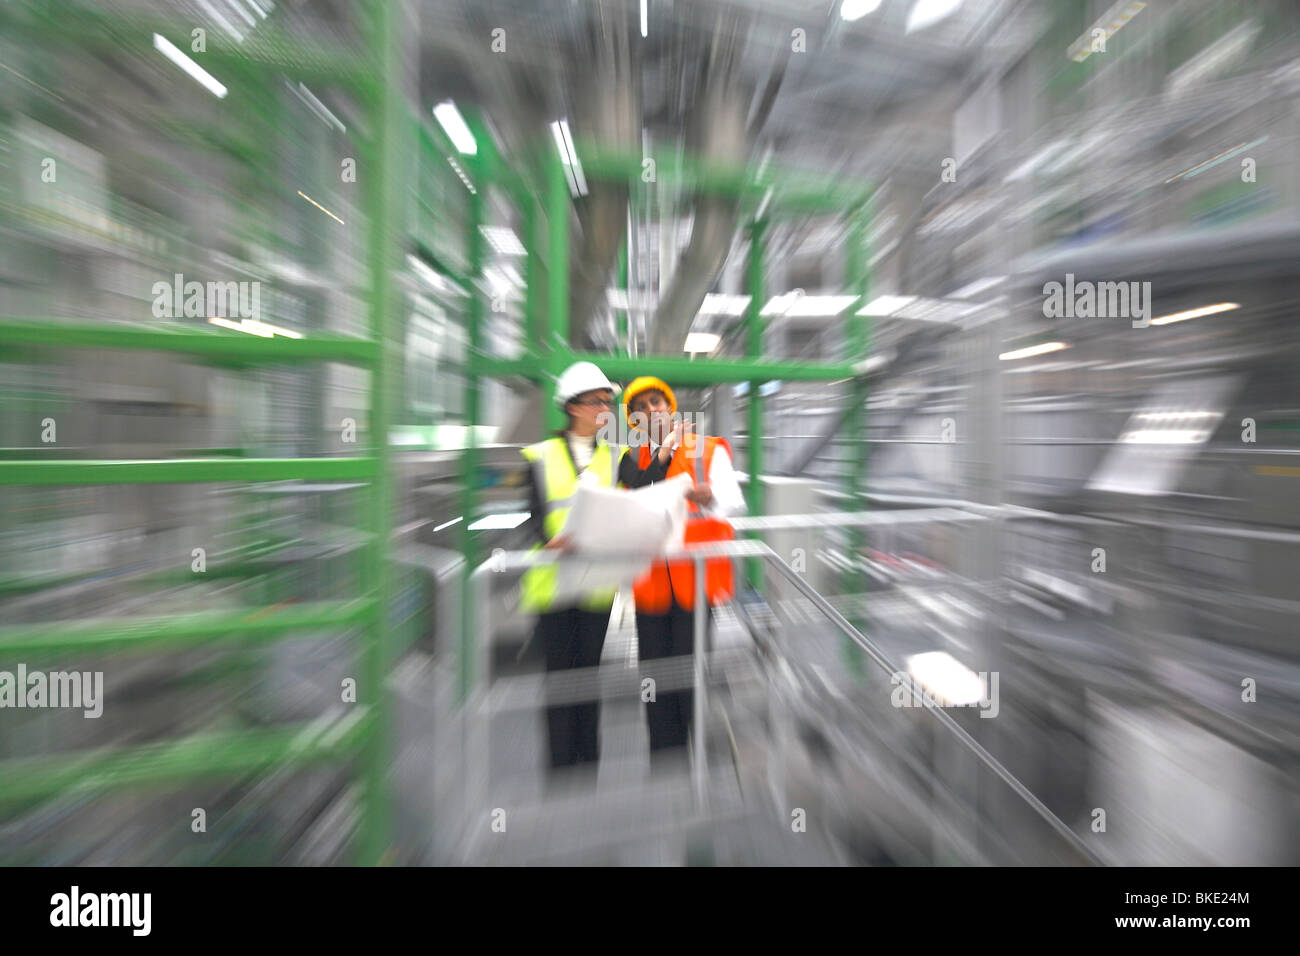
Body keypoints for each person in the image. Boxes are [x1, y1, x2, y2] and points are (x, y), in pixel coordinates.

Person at [516, 361, 658, 782]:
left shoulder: (616, 456)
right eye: (598, 402)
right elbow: (532, 518)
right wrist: (547, 540)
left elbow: (647, 489)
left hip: (595, 585)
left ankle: (588, 770)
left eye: (608, 403)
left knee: (589, 678)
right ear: (573, 407)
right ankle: (561, 771)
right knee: (560, 680)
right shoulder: (539, 456)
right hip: (552, 585)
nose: (605, 409)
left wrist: (663, 448)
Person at [619, 376, 746, 770]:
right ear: (634, 420)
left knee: (689, 671)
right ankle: (662, 755)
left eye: (657, 402)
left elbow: (735, 505)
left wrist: (710, 499)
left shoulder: (707, 451)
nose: (651, 410)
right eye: (641, 407)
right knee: (654, 675)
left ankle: (691, 755)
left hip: (695, 581)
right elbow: (627, 509)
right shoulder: (630, 459)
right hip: (652, 583)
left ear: (670, 408)